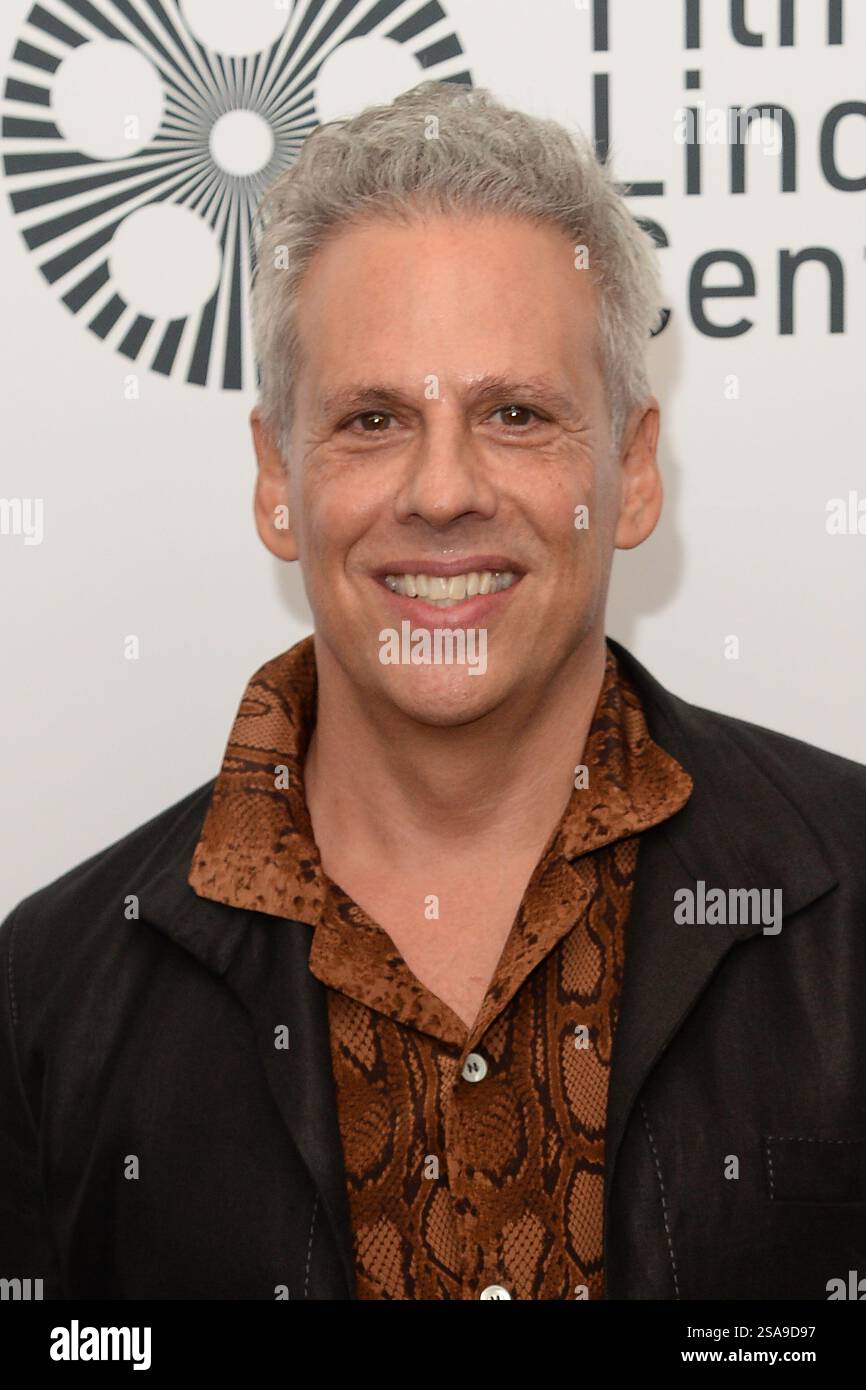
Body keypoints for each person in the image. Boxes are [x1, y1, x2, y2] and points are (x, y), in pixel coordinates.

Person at [2, 80, 865, 1303]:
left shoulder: (848, 906)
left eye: (514, 413)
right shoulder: (53, 993)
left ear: (628, 472)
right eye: (370, 418)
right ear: (276, 480)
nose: (444, 488)